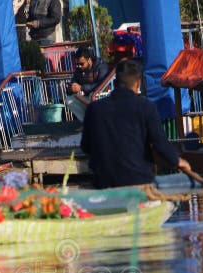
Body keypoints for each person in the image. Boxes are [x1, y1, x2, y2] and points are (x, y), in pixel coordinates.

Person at [81, 59, 191, 189]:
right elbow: (160, 144)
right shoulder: (146, 108)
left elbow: (86, 147)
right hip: (138, 181)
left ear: (115, 83)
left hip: (103, 182)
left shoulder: (94, 109)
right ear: (138, 83)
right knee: (183, 182)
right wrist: (178, 161)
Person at [65, 46, 110, 122]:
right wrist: (71, 88)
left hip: (101, 97)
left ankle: (98, 122)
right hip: (87, 97)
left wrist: (81, 88)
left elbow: (101, 85)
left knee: (92, 95)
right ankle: (86, 123)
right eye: (77, 64)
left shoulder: (101, 67)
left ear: (89, 60)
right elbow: (73, 83)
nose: (79, 66)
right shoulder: (79, 70)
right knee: (69, 100)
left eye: (81, 64)